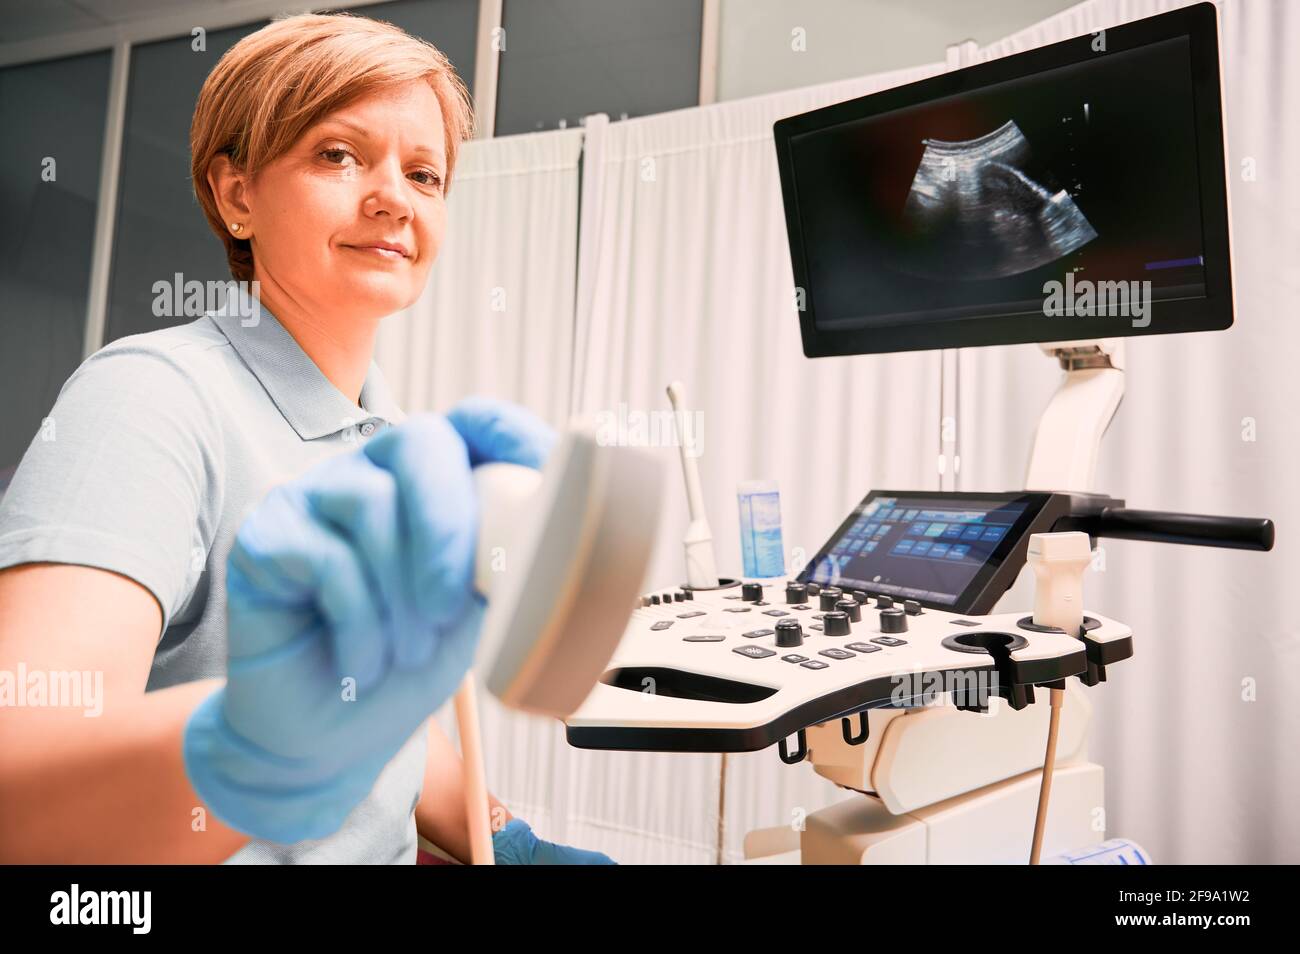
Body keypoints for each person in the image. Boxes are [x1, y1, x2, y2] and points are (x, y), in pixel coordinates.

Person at [0, 12, 611, 865]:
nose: (395, 196)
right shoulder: (149, 399)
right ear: (236, 194)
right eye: (338, 154)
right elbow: (24, 803)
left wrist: (509, 841)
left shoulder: (388, 436)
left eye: (425, 174)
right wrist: (276, 733)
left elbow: (396, 735)